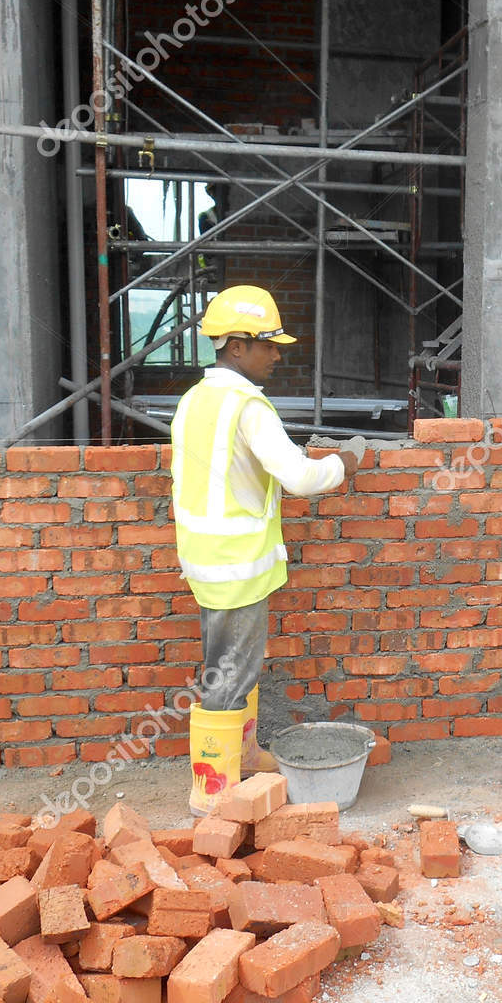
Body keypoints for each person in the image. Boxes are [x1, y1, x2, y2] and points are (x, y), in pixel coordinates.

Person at [170, 285, 359, 815]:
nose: (276, 355)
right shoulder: (247, 406)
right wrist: (345, 463)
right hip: (237, 564)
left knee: (233, 666)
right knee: (228, 674)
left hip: (207, 558)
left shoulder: (195, 400)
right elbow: (300, 478)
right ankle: (212, 792)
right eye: (268, 345)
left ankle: (245, 754)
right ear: (236, 346)